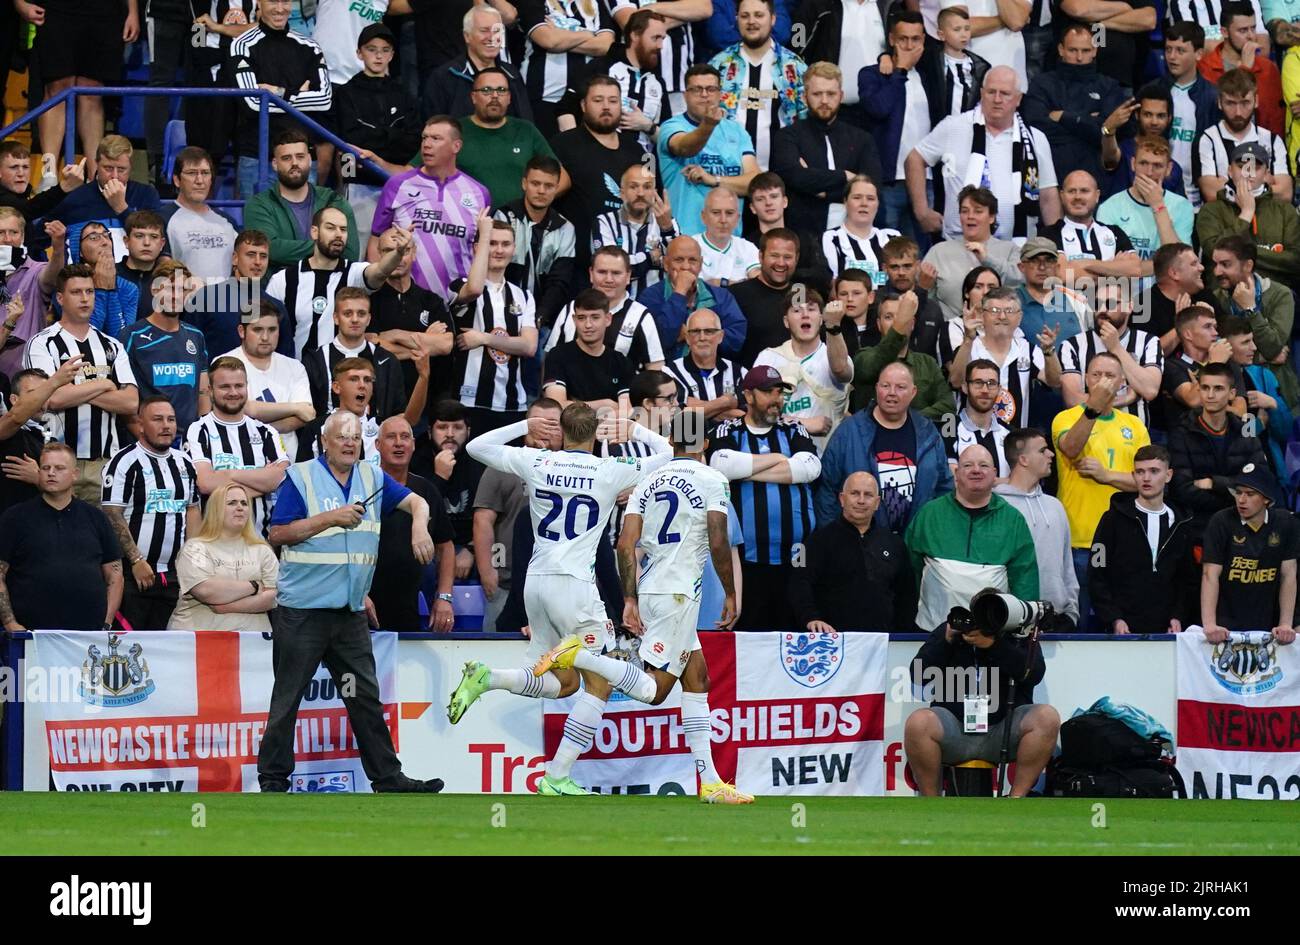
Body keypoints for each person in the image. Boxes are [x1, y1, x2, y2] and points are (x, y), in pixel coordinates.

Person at [449, 403, 670, 795]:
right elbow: (667, 454)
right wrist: (633, 430)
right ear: (595, 433)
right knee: (598, 682)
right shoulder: (610, 470)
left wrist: (524, 424)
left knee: (562, 683)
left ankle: (488, 677)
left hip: (536, 582)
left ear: (562, 431)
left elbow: (476, 447)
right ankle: (557, 775)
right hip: (575, 586)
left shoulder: (539, 461)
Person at [259, 410, 443, 793]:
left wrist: (419, 526)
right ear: (323, 441)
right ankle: (273, 779)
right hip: (303, 610)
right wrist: (329, 518)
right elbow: (277, 533)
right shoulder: (301, 476)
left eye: (355, 437)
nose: (348, 442)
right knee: (288, 698)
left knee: (364, 698)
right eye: (341, 436)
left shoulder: (372, 476)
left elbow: (419, 503)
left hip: (350, 611)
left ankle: (388, 777)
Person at [614, 409, 753, 803]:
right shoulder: (713, 478)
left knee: (698, 680)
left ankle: (709, 783)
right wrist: (729, 591)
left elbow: (625, 544)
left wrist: (629, 596)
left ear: (672, 442)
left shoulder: (648, 480)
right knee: (656, 691)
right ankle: (585, 659)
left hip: (653, 586)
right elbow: (718, 537)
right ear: (705, 444)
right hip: (679, 595)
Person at [903, 602, 1060, 797]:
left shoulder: (1017, 634)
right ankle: (931, 801)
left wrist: (996, 645)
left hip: (1003, 730)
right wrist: (946, 640)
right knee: (918, 722)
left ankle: (1016, 799)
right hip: (955, 728)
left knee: (1046, 716)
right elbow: (918, 675)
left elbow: (1033, 674)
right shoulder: (950, 630)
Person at [707, 365, 821, 630]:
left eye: (779, 392)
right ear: (748, 396)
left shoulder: (794, 430)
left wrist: (746, 471)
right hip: (746, 560)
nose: (776, 399)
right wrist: (779, 460)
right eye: (768, 392)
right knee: (749, 637)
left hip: (796, 557)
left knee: (791, 641)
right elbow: (721, 465)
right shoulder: (729, 431)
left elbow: (809, 468)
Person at [23, 264, 140, 503]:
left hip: (104, 462)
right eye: (76, 292)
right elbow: (51, 398)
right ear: (60, 298)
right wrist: (105, 384)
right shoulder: (42, 343)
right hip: (56, 460)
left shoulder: (111, 345)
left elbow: (130, 402)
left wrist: (71, 388)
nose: (85, 298)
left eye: (90, 291)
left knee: (102, 536)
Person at [906, 66, 1061, 243]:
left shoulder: (1035, 139)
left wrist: (1054, 243)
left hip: (1017, 249)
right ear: (981, 93)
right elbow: (915, 158)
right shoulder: (954, 126)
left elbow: (1048, 195)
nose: (997, 99)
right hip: (959, 244)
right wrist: (922, 211)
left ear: (1018, 99)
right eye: (991, 92)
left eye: (1005, 94)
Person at [1053, 351, 1150, 628]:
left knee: (1121, 624)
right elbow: (1071, 448)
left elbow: (1147, 481)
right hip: (1078, 541)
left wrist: (1107, 476)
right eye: (1096, 375)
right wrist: (1092, 409)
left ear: (1122, 382)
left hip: (1123, 541)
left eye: (1110, 376)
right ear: (1085, 378)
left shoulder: (1134, 425)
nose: (1103, 381)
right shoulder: (1065, 418)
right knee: (1077, 624)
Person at [906, 443, 1039, 631]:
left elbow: (1025, 578)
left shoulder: (1012, 520)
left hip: (992, 638)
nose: (976, 470)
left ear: (994, 474)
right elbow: (910, 571)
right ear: (957, 473)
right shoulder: (929, 514)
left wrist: (1023, 630)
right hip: (932, 635)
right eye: (968, 465)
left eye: (984, 465)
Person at [101, 396, 202, 631]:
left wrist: (191, 559)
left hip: (175, 576)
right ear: (140, 424)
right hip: (133, 575)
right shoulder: (124, 462)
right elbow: (112, 514)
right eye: (157, 419)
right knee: (131, 651)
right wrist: (136, 560)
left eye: (171, 419)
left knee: (167, 652)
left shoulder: (185, 463)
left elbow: (192, 510)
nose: (166, 425)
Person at [0, 443, 123, 633]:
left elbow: (114, 574)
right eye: (46, 468)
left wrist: (105, 623)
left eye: (59, 468)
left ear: (74, 474)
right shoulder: (15, 517)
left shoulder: (96, 517)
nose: (51, 473)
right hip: (30, 635)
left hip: (87, 636)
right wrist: (10, 624)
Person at [367, 116, 491, 300]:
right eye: (425, 138)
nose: (427, 144)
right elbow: (376, 240)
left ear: (456, 146)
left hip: (458, 300)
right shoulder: (398, 185)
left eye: (436, 139)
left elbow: (479, 250)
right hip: (404, 298)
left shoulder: (479, 194)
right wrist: (382, 290)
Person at [819, 360, 953, 530]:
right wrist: (833, 539)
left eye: (900, 387)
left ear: (913, 392)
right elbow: (827, 490)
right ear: (876, 388)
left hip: (915, 543)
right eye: (885, 386)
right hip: (859, 544)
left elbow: (944, 488)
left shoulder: (928, 433)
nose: (892, 393)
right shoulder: (849, 432)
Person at [472, 397, 564, 632]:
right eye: (537, 423)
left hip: (557, 583)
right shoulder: (503, 463)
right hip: (506, 581)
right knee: (496, 656)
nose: (544, 430)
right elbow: (483, 519)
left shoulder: (573, 467)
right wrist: (487, 570)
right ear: (525, 427)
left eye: (552, 424)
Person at [269, 211, 412, 359]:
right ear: (314, 232)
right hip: (297, 374)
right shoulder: (283, 280)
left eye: (343, 229)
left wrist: (398, 253)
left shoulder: (355, 273)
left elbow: (380, 271)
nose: (338, 234)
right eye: (331, 228)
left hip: (345, 375)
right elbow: (261, 326)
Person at [228, 0, 333, 199]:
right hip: (257, 156)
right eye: (272, 1)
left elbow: (324, 100)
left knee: (302, 229)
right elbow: (253, 104)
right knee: (255, 230)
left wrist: (278, 92)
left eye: (285, 1)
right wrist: (300, 95)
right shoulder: (241, 45)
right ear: (259, 3)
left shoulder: (310, 46)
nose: (279, 8)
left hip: (300, 157)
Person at [1088, 444, 1197, 634]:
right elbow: (1097, 572)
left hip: (1167, 630)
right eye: (1140, 472)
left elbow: (1186, 579)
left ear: (1168, 475)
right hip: (1122, 630)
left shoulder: (1182, 523)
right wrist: (1114, 618)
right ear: (1133, 475)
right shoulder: (1112, 520)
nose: (1146, 478)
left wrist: (1178, 616)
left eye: (1154, 471)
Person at [789, 470, 916, 631]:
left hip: (882, 644)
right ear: (842, 499)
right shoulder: (816, 542)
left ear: (877, 502)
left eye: (868, 495)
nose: (861, 500)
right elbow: (799, 584)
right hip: (832, 643)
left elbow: (907, 596)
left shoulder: (895, 544)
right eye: (855, 493)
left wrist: (901, 638)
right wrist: (810, 618)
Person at [769, 61, 884, 236]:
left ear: (841, 96)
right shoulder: (787, 136)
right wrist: (845, 176)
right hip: (803, 233)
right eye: (817, 94)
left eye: (831, 94)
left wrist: (822, 191)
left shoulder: (862, 138)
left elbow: (872, 187)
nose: (824, 101)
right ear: (804, 96)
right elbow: (795, 176)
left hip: (855, 234)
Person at [332, 22, 423, 237]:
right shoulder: (346, 94)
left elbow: (413, 140)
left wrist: (376, 139)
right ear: (359, 53)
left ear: (392, 55)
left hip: (399, 186)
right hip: (357, 182)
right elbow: (350, 140)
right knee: (358, 254)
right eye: (371, 49)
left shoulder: (404, 94)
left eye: (385, 50)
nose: (378, 56)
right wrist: (393, 135)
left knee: (400, 251)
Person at [185, 356, 291, 538]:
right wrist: (263, 483)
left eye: (239, 386)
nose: (233, 392)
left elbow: (282, 479)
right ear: (210, 390)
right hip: (214, 544)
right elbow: (205, 483)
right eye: (225, 387)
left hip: (261, 543)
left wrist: (228, 474)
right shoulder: (198, 430)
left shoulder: (266, 431)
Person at [448, 219, 538, 434]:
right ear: (477, 247)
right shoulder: (459, 285)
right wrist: (483, 234)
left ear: (514, 249)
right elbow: (475, 289)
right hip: (468, 402)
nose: (499, 250)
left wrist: (484, 338)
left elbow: (529, 347)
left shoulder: (524, 296)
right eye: (491, 243)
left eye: (506, 244)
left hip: (512, 404)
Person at [549, 76, 646, 267]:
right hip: (575, 257)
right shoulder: (563, 144)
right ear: (583, 105)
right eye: (598, 100)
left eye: (613, 101)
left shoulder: (636, 151)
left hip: (628, 259)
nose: (606, 107)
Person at [856, 12, 936, 244]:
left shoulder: (931, 75)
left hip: (927, 180)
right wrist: (899, 70)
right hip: (888, 181)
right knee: (887, 251)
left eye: (916, 39)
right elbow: (879, 108)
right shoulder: (872, 74)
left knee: (924, 254)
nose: (909, 46)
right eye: (903, 39)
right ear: (891, 39)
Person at [657, 64, 761, 238]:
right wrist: (709, 125)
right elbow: (684, 147)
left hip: (731, 241)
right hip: (686, 240)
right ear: (685, 95)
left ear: (720, 94)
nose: (704, 95)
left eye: (711, 89)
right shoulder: (671, 127)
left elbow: (754, 184)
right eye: (697, 89)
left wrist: (713, 180)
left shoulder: (737, 131)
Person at [373, 416, 456, 632]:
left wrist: (445, 597)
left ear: (413, 445)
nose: (399, 443)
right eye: (391, 437)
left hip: (412, 605)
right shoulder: (363, 487)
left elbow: (446, 546)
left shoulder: (427, 489)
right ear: (377, 445)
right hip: (365, 603)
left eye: (405, 437)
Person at [1169, 362, 1271, 536]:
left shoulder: (1246, 432)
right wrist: (1236, 494)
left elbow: (1260, 484)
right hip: (1196, 528)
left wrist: (1213, 483)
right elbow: (1181, 491)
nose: (1210, 395)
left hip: (1242, 528)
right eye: (1205, 388)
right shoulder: (1181, 433)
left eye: (1218, 389)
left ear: (1232, 393)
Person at [1201, 463, 1298, 644]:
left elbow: (1289, 574)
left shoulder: (1286, 523)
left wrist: (1286, 624)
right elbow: (1209, 575)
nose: (1241, 500)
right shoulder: (1221, 522)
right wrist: (1210, 624)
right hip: (1226, 628)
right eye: (1238, 492)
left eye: (1250, 494)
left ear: (1267, 499)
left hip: (1269, 626)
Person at [1021, 21, 1128, 183]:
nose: (1079, 57)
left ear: (1095, 51)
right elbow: (1035, 128)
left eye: (1085, 51)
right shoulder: (1041, 84)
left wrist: (1064, 116)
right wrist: (1090, 123)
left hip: (1095, 173)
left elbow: (1110, 132)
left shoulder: (1109, 87)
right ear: (1061, 50)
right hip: (1049, 170)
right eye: (1073, 50)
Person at [995, 428, 1080, 627]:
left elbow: (1067, 566)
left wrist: (1071, 614)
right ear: (1023, 459)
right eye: (1043, 450)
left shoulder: (1055, 506)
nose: (1051, 454)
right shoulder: (997, 506)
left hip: (1057, 618)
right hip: (1010, 619)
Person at [709, 0, 808, 170]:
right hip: (729, 173)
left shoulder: (795, 67)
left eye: (759, 15)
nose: (751, 21)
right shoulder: (718, 65)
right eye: (745, 16)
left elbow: (806, 121)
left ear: (773, 19)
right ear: (736, 19)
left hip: (781, 176)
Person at [168, 483, 280, 632]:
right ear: (215, 509)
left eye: (244, 503)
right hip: (198, 641)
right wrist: (255, 586)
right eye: (231, 503)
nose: (240, 507)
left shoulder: (263, 550)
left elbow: (274, 597)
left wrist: (227, 606)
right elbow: (206, 591)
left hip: (252, 643)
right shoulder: (195, 548)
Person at [366, 226, 457, 406]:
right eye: (389, 251)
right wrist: (426, 345)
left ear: (414, 253)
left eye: (404, 250)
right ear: (379, 256)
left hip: (428, 404)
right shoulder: (369, 301)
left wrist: (396, 335)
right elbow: (372, 347)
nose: (398, 257)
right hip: (382, 404)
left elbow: (446, 344)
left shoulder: (432, 301)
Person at [947, 287, 1061, 430]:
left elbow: (1055, 381)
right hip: (971, 440)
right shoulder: (969, 348)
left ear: (1019, 317)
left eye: (1009, 311)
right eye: (994, 311)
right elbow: (956, 382)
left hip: (1015, 442)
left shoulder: (1028, 350)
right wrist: (968, 339)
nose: (1002, 316)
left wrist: (1049, 352)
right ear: (982, 315)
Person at [119, 260, 211, 437]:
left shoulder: (196, 336)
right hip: (148, 442)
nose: (176, 296)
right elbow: (125, 402)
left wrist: (203, 437)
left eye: (182, 289)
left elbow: (203, 392)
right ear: (155, 290)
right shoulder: (131, 337)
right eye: (169, 288)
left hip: (190, 442)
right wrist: (145, 441)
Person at [558, 9, 671, 152]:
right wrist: (578, 150)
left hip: (645, 165)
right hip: (600, 158)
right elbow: (565, 108)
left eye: (663, 39)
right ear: (635, 35)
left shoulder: (657, 81)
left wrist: (648, 126)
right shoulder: (601, 67)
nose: (660, 46)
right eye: (655, 38)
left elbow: (669, 137)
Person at [243, 129, 360, 268]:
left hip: (328, 286)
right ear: (275, 164)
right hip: (279, 287)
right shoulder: (258, 205)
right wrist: (327, 247)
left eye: (300, 156)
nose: (294, 163)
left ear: (310, 160)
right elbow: (270, 250)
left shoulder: (334, 201)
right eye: (286, 158)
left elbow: (351, 253)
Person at [753, 289, 854, 447]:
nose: (805, 315)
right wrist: (801, 423)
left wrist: (833, 327)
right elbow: (755, 413)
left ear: (821, 319)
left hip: (826, 457)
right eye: (797, 310)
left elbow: (841, 370)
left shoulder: (834, 355)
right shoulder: (768, 358)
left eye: (812, 309)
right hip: (778, 455)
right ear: (786, 321)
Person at [1060, 278, 1163, 431]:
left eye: (1111, 304)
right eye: (1097, 304)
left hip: (1133, 437)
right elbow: (1073, 399)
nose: (1102, 309)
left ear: (1129, 307)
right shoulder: (1072, 345)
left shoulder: (1148, 341)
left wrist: (1116, 348)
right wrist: (1124, 399)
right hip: (1089, 436)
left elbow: (1150, 390)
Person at [304, 287, 413, 430]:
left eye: (361, 314)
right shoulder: (315, 360)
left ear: (369, 319)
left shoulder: (387, 360)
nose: (355, 319)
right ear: (336, 318)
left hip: (376, 446)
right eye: (348, 314)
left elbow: (399, 412)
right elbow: (309, 413)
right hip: (326, 443)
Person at [1208, 232, 1299, 404]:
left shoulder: (1280, 295)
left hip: (1278, 392)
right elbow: (1217, 350)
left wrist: (1251, 309)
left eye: (1225, 264)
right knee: (1248, 431)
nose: (1217, 271)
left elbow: (1272, 347)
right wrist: (1261, 358)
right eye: (1215, 264)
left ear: (1248, 265)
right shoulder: (1216, 298)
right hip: (1235, 394)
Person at [1197, 145, 1300, 292]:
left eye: (1255, 167)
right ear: (1230, 171)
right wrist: (1246, 214)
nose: (1248, 173)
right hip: (1226, 297)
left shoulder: (1285, 211)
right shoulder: (1211, 210)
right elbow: (1214, 252)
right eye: (1241, 166)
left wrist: (1242, 256)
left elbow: (1295, 261)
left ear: (1266, 174)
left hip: (1276, 295)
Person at [546, 246, 665, 373]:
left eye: (616, 273)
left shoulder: (641, 316)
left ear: (628, 276)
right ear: (591, 274)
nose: (609, 279)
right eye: (602, 272)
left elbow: (655, 369)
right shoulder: (570, 310)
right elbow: (550, 361)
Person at [223, 306, 317, 463]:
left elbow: (306, 416)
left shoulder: (294, 367)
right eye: (258, 329)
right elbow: (243, 410)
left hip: (289, 461)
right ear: (242, 331)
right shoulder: (225, 364)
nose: (265, 337)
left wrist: (253, 423)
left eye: (272, 329)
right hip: (241, 461)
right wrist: (295, 408)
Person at [916, 186, 1023, 323]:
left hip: (998, 328)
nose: (970, 216)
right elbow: (927, 302)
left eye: (978, 211)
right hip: (950, 332)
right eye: (964, 211)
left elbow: (1020, 281)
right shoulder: (939, 251)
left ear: (991, 217)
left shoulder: (1010, 250)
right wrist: (923, 286)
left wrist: (987, 259)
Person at [492, 156, 575, 332]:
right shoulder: (504, 216)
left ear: (556, 188)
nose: (541, 191)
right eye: (535, 183)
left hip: (542, 320)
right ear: (524, 184)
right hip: (499, 312)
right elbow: (493, 270)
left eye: (549, 186)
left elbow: (559, 282)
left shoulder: (565, 228)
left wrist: (539, 318)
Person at [457, 70, 557, 209]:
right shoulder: (455, 130)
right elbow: (418, 170)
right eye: (486, 90)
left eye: (501, 90)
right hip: (468, 221)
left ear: (509, 97)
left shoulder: (525, 130)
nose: (495, 96)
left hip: (519, 224)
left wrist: (535, 203)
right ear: (473, 97)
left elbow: (561, 176)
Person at [517, 0, 616, 137]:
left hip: (583, 101)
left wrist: (560, 38)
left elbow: (606, 46)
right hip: (544, 97)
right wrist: (588, 34)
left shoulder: (595, 3)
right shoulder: (535, 3)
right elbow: (548, 40)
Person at [186, 230, 289, 362]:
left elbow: (285, 358)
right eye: (251, 255)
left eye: (263, 256)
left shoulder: (276, 306)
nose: (258, 262)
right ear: (235, 258)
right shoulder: (206, 298)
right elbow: (189, 347)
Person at [639, 235, 747, 359]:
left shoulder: (721, 297)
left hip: (711, 371)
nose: (686, 267)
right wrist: (680, 292)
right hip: (666, 372)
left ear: (700, 264)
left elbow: (736, 340)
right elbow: (658, 341)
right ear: (666, 264)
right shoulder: (650, 297)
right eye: (679, 260)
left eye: (692, 260)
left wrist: (694, 335)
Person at [1195, 67, 1293, 204]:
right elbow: (1211, 194)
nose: (1238, 113)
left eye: (1245, 103)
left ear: (1256, 101)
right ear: (1219, 102)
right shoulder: (1207, 140)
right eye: (1230, 103)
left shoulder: (1272, 140)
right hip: (1224, 223)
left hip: (1267, 222)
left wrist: (1228, 185)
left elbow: (1285, 194)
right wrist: (1264, 182)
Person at [50, 136, 161, 256]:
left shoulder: (146, 194)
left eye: (121, 169)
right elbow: (39, 236)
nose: (114, 176)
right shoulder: (75, 196)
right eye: (108, 168)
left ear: (131, 168)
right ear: (96, 163)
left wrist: (121, 208)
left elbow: (154, 239)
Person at [420, 5, 531, 121]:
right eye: (484, 31)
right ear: (467, 36)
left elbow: (526, 125)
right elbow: (433, 129)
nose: (492, 37)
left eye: (497, 31)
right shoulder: (444, 78)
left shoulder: (512, 75)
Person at [0, 359, 83, 514]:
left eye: (46, 393)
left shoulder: (51, 443)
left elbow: (70, 496)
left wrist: (39, 478)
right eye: (34, 393)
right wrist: (55, 381)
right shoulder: (6, 431)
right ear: (14, 399)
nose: (42, 399)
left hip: (41, 528)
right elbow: (15, 418)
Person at [1155, 22, 1223, 210]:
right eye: (1168, 49)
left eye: (1180, 50)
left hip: (1197, 194)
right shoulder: (1153, 92)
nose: (1172, 57)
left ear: (1199, 54)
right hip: (1157, 188)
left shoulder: (1212, 96)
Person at [790, 0, 891, 125]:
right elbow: (795, 51)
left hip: (879, 112)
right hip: (830, 111)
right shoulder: (816, 5)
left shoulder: (890, 6)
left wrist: (888, 54)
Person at [1096, 135, 1196, 259]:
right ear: (1133, 164)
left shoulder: (1182, 206)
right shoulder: (1109, 207)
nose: (1149, 172)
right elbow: (1107, 265)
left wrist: (1158, 205)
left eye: (1157, 165)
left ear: (1169, 169)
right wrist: (1156, 267)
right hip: (1124, 279)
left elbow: (1180, 262)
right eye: (1143, 163)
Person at [1040, 170, 1147, 284]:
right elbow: (1062, 275)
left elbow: (1135, 270)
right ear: (1062, 196)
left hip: (1109, 301)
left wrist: (1084, 263)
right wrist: (1114, 270)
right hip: (1065, 301)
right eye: (1071, 191)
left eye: (1084, 191)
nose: (1077, 196)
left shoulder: (1114, 232)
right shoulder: (1049, 234)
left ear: (1097, 196)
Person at [592, 164, 678, 300]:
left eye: (647, 187)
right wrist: (652, 257)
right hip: (614, 306)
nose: (641, 193)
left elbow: (677, 265)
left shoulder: (668, 222)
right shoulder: (605, 222)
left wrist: (667, 229)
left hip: (658, 306)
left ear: (654, 192)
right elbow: (611, 268)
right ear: (622, 193)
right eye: (633, 187)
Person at [1197, 4, 1285, 135]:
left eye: (1253, 28)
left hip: (1262, 150)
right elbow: (1217, 112)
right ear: (1224, 32)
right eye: (1243, 30)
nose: (1251, 36)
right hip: (1219, 148)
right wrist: (1245, 69)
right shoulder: (1205, 67)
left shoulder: (1268, 69)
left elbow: (1276, 119)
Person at [542, 289, 634, 412]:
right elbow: (556, 406)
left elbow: (626, 410)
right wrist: (605, 404)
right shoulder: (558, 356)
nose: (588, 325)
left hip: (609, 429)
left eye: (595, 317)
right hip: (569, 430)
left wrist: (575, 404)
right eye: (581, 318)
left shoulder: (620, 362)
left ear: (608, 319)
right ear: (574, 320)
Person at [0, 212, 67, 380]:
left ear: (22, 236)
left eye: (14, 232)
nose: (7, 239)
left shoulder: (36, 270)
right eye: (0, 233)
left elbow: (54, 275)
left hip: (25, 374)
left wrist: (58, 248)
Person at [161, 147, 240, 282]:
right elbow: (163, 269)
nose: (199, 180)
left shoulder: (228, 222)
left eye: (205, 173)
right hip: (185, 299)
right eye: (192, 173)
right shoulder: (163, 218)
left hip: (226, 300)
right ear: (177, 180)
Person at [1161, 303, 1246, 425]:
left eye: (1215, 327)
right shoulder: (1172, 366)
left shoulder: (1229, 364)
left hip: (1227, 438)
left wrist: (1203, 397)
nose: (1215, 332)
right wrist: (1215, 363)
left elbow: (1241, 413)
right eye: (1208, 327)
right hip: (1189, 439)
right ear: (1188, 334)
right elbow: (1194, 400)